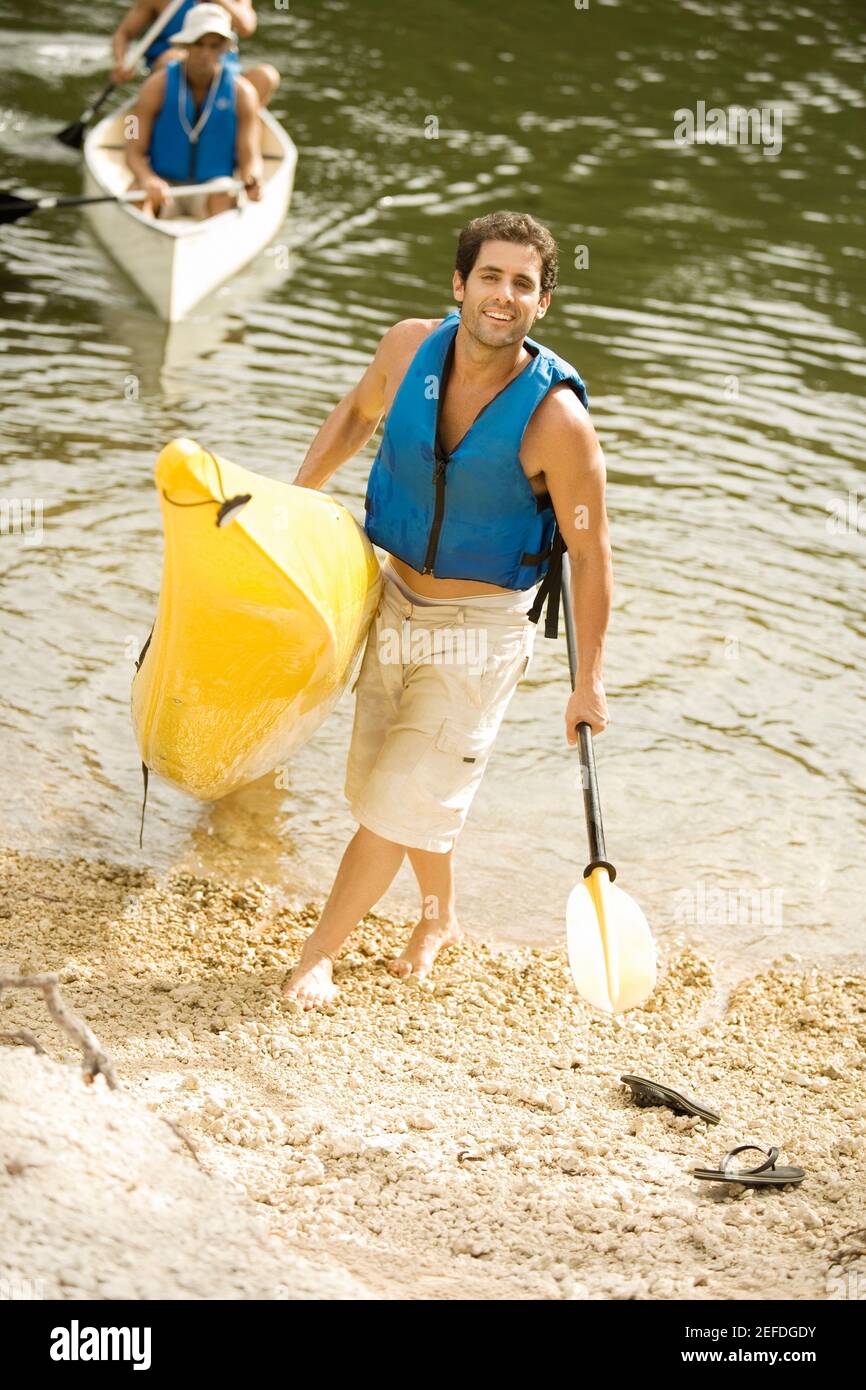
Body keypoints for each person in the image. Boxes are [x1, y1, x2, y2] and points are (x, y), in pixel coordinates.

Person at [283, 211, 612, 1010]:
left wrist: (589, 681)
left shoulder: (558, 424)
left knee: (400, 801)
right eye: (491, 277)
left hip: (482, 632)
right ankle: (441, 917)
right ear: (459, 284)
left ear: (542, 304)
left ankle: (313, 958)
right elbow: (356, 414)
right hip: (391, 600)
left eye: (523, 285)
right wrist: (293, 506)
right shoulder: (406, 350)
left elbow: (594, 554)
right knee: (393, 789)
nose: (504, 296)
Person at [123, 4, 263, 219]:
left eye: (214, 45)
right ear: (185, 45)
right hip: (164, 184)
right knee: (137, 194)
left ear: (225, 48)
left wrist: (253, 177)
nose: (205, 53)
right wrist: (147, 178)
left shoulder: (243, 93)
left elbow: (250, 156)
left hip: (211, 188)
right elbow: (132, 149)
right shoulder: (155, 86)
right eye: (198, 44)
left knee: (225, 192)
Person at [110, 0, 279, 108]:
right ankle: (161, 122)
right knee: (172, 58)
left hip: (221, 72)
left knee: (266, 77)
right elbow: (123, 33)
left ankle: (230, 130)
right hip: (169, 73)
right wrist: (121, 62)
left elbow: (246, 26)